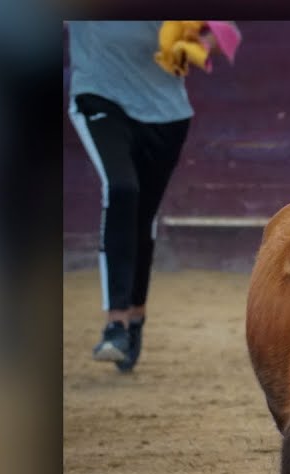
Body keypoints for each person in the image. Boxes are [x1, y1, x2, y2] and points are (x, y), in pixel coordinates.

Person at [67, 21, 195, 372]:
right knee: (122, 189)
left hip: (166, 112)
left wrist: (202, 42)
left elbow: (218, 29)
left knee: (143, 216)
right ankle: (116, 323)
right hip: (99, 95)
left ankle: (136, 314)